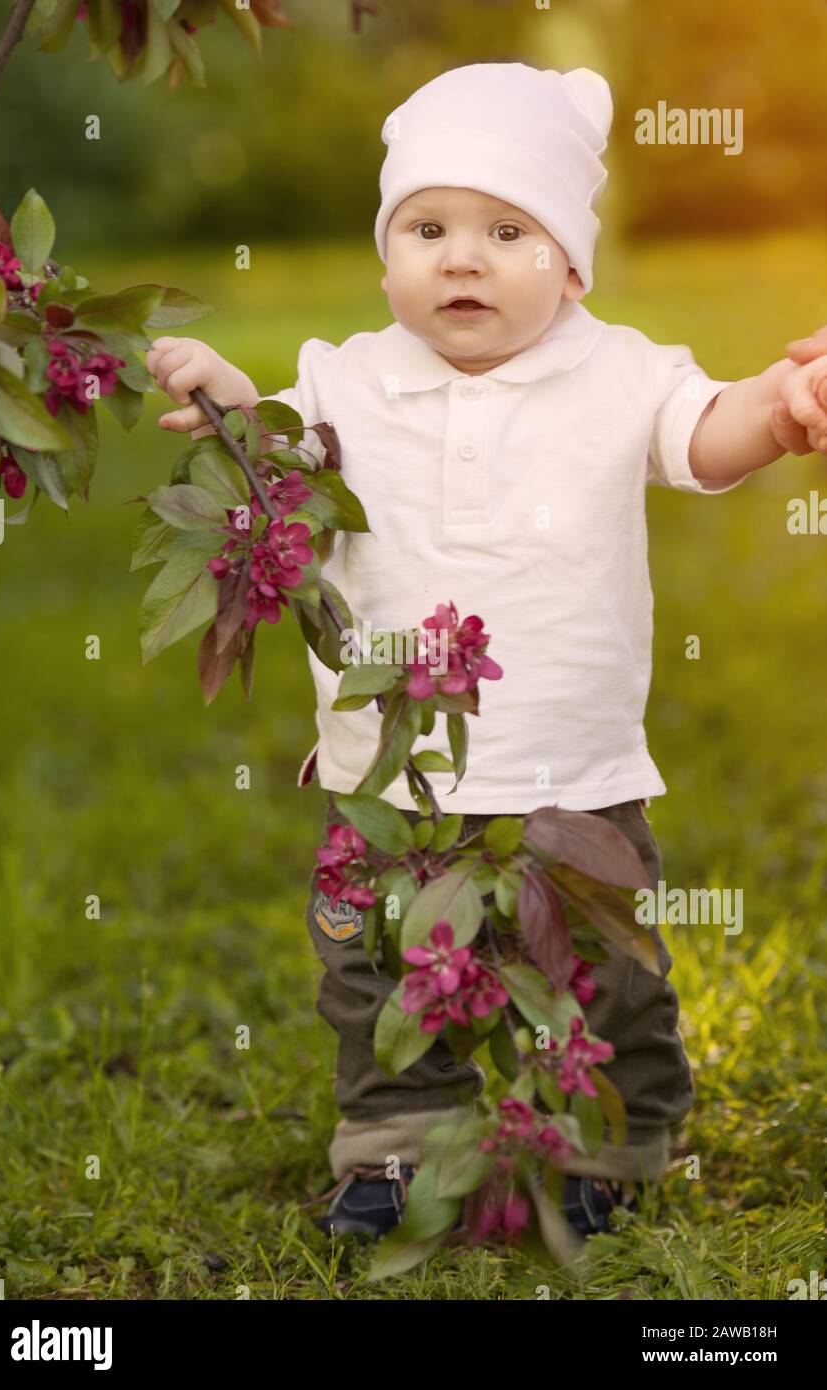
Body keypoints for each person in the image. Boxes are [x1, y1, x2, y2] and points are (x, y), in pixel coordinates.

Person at [145, 63, 827, 1242]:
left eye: (506, 229)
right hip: (383, 769)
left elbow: (703, 435)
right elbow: (280, 461)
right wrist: (226, 400)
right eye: (428, 228)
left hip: (572, 767)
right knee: (376, 969)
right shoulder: (346, 377)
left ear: (569, 265)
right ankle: (392, 1142)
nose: (460, 258)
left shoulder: (617, 372)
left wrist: (775, 405)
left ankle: (614, 1134)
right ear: (385, 257)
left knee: (602, 966)